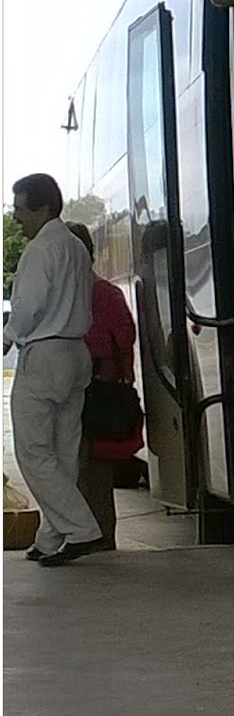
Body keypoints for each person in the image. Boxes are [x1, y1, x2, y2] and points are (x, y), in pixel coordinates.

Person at [2, 174, 104, 566]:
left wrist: (8, 336)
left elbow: (28, 305)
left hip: (43, 354)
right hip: (75, 352)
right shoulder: (76, 247)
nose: (16, 218)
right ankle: (51, 535)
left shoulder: (41, 249)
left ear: (43, 208)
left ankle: (80, 529)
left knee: (33, 451)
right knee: (63, 450)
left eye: (19, 209)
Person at [67, 223, 139, 551]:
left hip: (87, 394)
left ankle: (87, 538)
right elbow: (125, 340)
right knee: (94, 475)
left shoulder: (83, 294)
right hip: (98, 390)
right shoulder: (107, 293)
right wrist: (125, 378)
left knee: (84, 471)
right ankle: (98, 539)